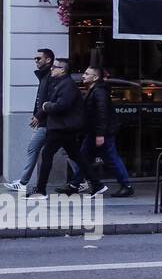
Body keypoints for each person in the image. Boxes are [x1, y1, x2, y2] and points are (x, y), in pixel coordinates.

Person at [31, 59, 103, 198]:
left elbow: (60, 106)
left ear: (62, 70)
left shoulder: (67, 85)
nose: (51, 69)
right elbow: (52, 100)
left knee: (47, 155)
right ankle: (97, 184)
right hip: (62, 127)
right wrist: (41, 113)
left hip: (61, 127)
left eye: (54, 67)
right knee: (77, 156)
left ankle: (41, 190)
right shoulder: (59, 83)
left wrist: (46, 106)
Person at [79, 66, 134, 198]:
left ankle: (126, 185)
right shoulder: (94, 90)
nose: (83, 76)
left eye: (87, 74)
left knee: (110, 158)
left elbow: (102, 114)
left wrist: (100, 134)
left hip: (101, 132)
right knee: (83, 157)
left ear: (95, 77)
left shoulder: (99, 91)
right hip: (95, 132)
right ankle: (75, 183)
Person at [5, 49, 55, 192]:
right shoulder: (44, 76)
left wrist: (39, 115)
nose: (36, 61)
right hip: (46, 122)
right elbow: (40, 99)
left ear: (48, 60)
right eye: (35, 58)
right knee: (70, 151)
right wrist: (36, 114)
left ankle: (23, 182)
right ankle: (83, 179)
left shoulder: (50, 77)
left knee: (33, 148)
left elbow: (48, 100)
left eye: (39, 58)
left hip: (48, 123)